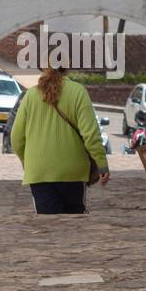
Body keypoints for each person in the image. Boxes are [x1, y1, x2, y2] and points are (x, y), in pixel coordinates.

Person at [9, 65, 109, 214]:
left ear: (43, 67)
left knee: (48, 225)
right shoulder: (78, 92)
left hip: (39, 172)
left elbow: (16, 138)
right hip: (73, 172)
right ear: (67, 67)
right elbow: (91, 135)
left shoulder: (31, 95)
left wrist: (28, 162)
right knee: (73, 224)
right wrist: (102, 164)